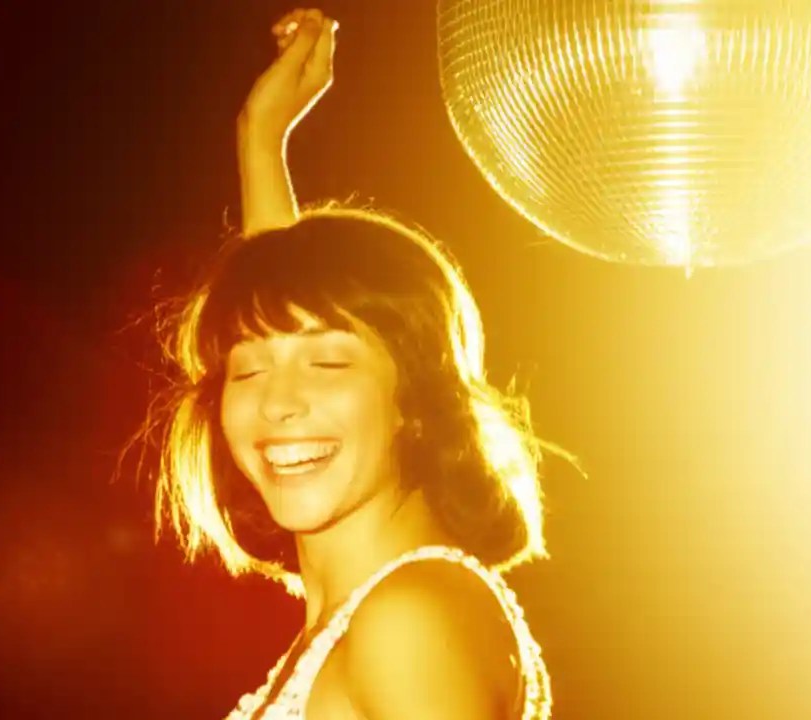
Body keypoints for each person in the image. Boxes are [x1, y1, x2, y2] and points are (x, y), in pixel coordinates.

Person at [149, 7, 558, 719]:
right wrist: (261, 139)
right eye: (247, 371)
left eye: (328, 366)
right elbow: (290, 313)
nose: (278, 403)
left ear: (416, 399)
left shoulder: (409, 621)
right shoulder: (361, 622)